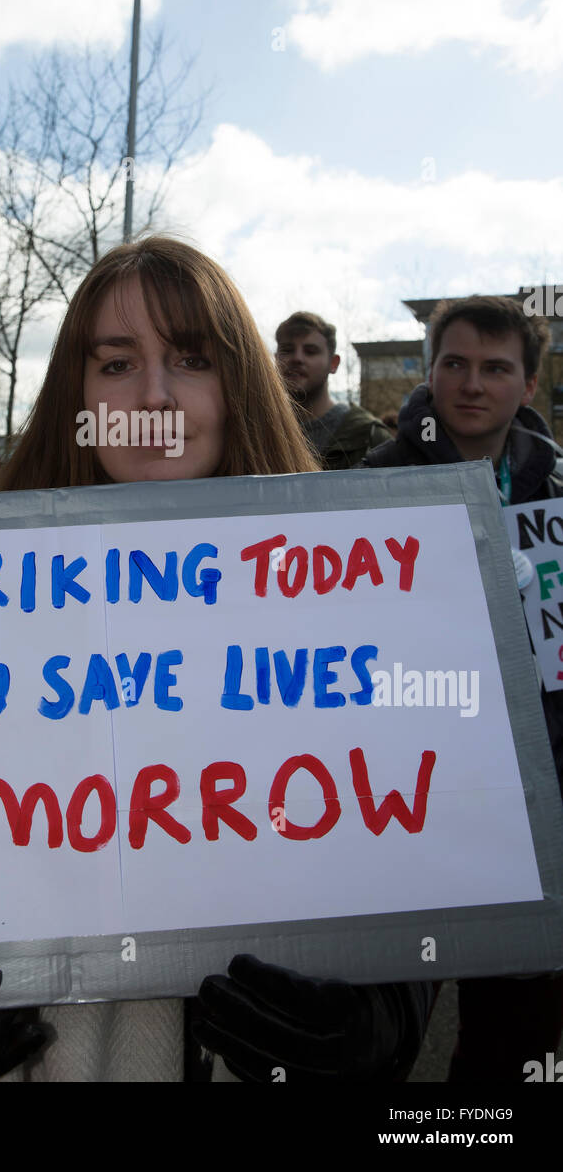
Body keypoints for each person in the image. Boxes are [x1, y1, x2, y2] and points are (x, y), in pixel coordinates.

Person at [0, 238, 437, 1083]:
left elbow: (419, 837)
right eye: (118, 363)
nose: (154, 396)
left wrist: (388, 1009)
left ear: (237, 387)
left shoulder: (347, 598)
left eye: (192, 360)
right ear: (78, 398)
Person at [363, 294, 563, 1082]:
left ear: (528, 384)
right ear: (429, 369)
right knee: (373, 1038)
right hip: (400, 809)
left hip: (534, 809)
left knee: (511, 1049)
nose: (471, 383)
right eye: (454, 363)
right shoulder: (364, 487)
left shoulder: (559, 495)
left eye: (495, 368)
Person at [275, 311, 390, 470]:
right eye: (287, 350)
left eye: (310, 351)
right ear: (275, 359)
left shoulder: (370, 436)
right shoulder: (256, 434)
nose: (297, 358)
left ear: (333, 363)